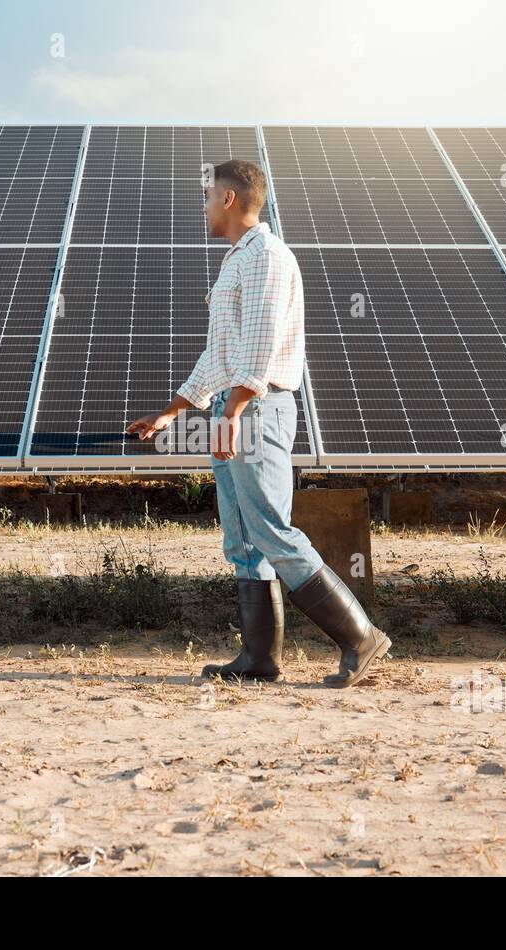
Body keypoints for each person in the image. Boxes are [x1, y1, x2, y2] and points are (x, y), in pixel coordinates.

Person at [125, 159, 391, 688]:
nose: (203, 209)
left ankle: (361, 638)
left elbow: (262, 346)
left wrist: (231, 415)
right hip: (236, 404)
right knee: (243, 539)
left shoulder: (267, 257)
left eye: (207, 198)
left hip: (256, 408)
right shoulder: (236, 262)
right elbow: (219, 353)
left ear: (228, 199)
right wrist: (173, 409)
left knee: (271, 528)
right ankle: (259, 658)